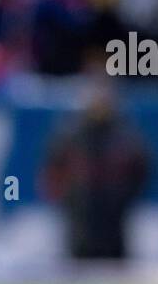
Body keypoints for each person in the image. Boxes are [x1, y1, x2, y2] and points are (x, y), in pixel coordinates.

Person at [42, 85, 150, 260]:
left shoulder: (124, 135)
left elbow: (141, 170)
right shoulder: (72, 135)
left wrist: (126, 195)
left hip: (114, 219)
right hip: (81, 218)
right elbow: (53, 169)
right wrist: (66, 196)